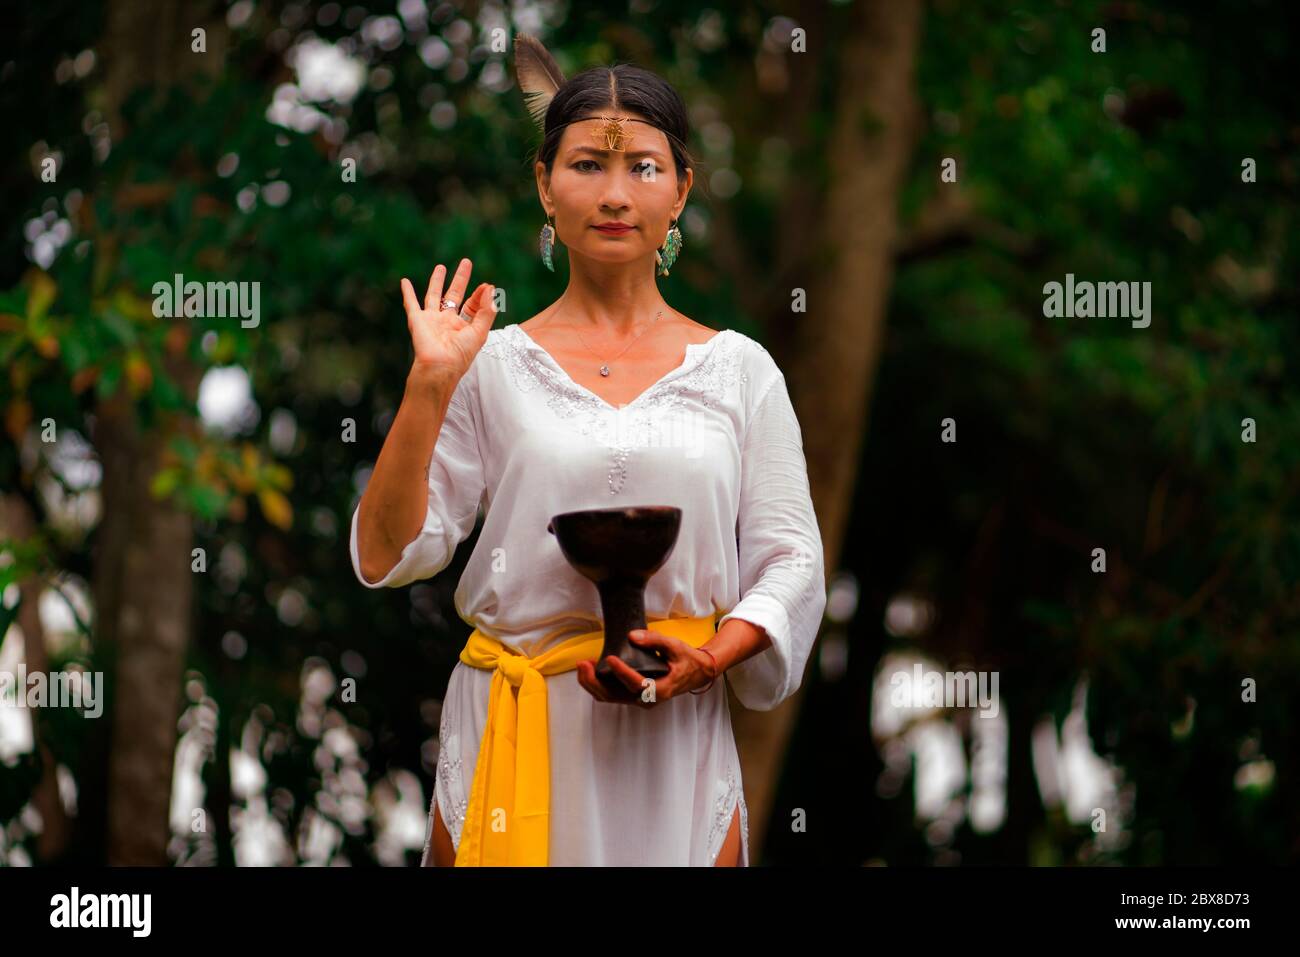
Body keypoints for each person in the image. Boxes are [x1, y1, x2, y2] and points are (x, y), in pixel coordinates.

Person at [351, 34, 826, 866]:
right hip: (518, 719)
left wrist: (710, 658)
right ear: (544, 185)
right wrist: (428, 386)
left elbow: (791, 561)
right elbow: (388, 551)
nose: (614, 194)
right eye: (585, 166)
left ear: (681, 189)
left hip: (674, 729)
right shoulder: (486, 362)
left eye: (642, 167)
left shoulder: (741, 371)